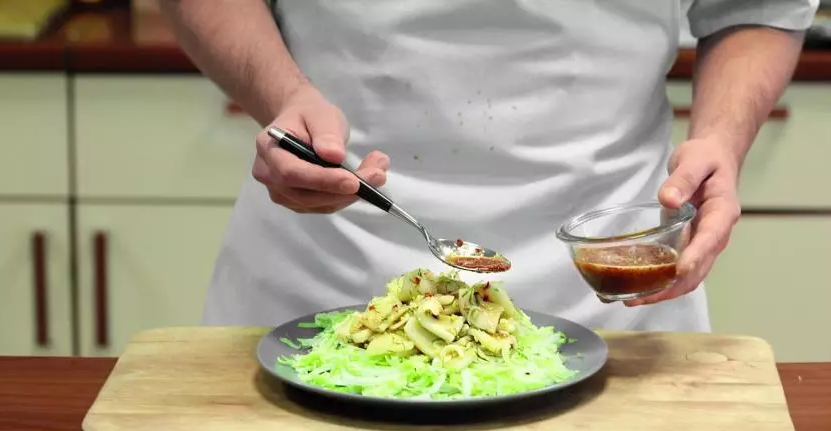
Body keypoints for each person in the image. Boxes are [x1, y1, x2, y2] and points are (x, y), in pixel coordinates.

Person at [159, 0, 817, 330]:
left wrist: (721, 140)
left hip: (611, 288)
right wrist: (282, 96)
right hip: (325, 273)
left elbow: (753, 8)